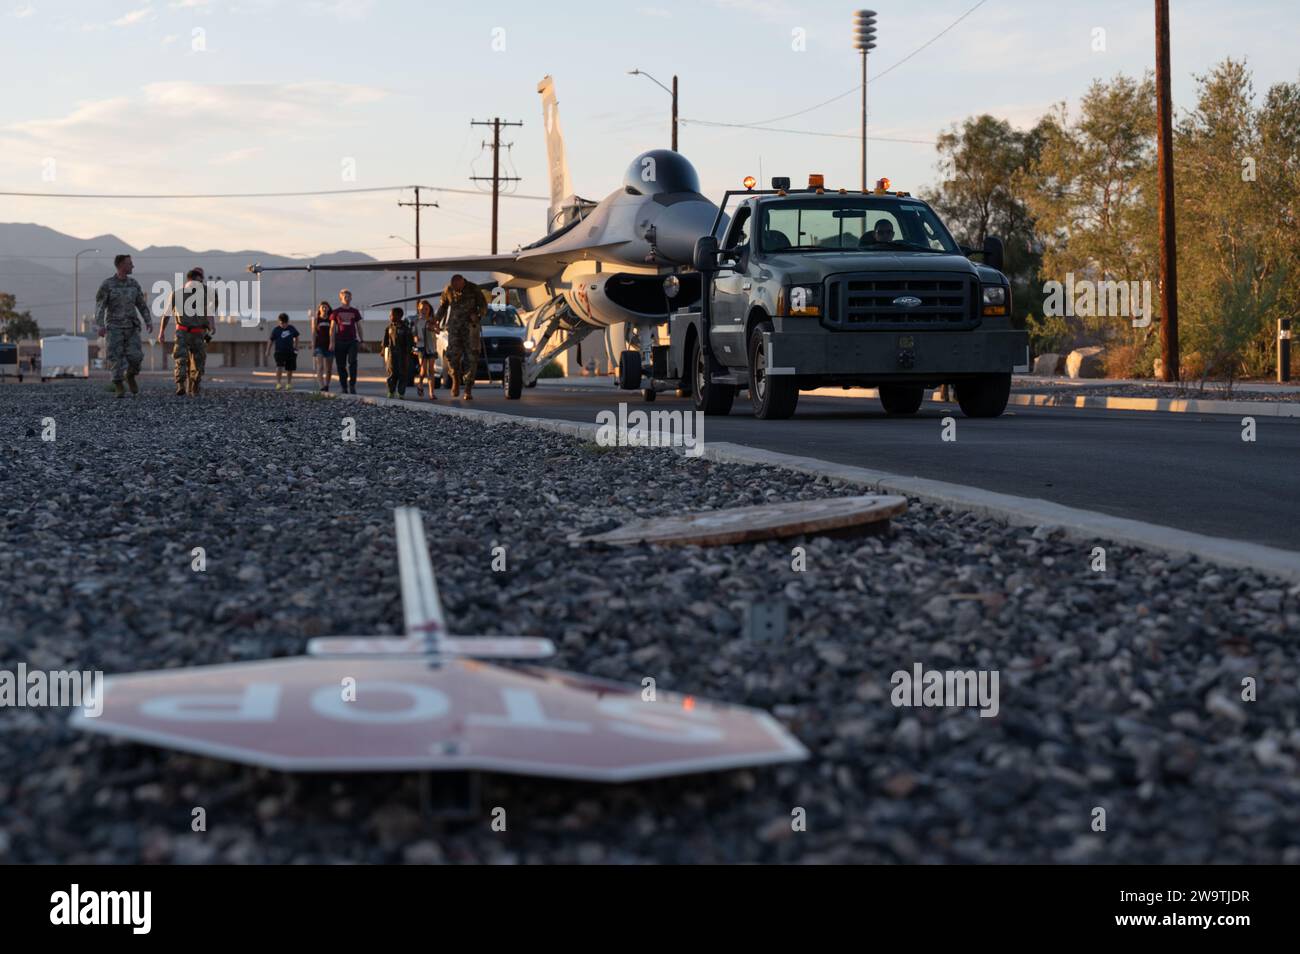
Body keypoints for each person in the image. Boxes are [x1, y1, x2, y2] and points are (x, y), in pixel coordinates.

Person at [94, 254, 153, 398]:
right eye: (129, 263)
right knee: (115, 358)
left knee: (136, 357)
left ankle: (130, 376)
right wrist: (100, 325)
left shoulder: (134, 284)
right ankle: (118, 385)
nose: (132, 266)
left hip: (132, 327)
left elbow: (141, 304)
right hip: (114, 327)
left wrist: (148, 320)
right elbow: (100, 306)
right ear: (121, 265)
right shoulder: (107, 285)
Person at [158, 266, 214, 396]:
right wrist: (161, 332)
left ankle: (194, 385)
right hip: (182, 332)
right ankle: (181, 384)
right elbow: (166, 315)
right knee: (181, 359)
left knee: (198, 361)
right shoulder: (176, 294)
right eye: (199, 281)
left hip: (198, 333)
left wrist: (212, 325)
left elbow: (208, 313)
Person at [435, 274, 485, 400]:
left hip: (470, 328)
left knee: (472, 357)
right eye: (454, 288)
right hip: (454, 328)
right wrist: (436, 320)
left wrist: (478, 315)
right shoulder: (448, 290)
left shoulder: (474, 289)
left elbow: (483, 306)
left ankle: (468, 388)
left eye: (458, 287)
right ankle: (455, 379)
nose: (456, 290)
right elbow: (443, 306)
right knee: (452, 356)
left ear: (462, 282)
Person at [330, 288, 364, 394]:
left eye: (349, 296)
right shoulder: (336, 312)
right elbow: (332, 328)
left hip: (352, 341)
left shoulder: (355, 311)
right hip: (339, 341)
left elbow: (359, 326)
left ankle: (352, 384)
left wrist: (361, 339)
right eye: (345, 296)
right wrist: (332, 342)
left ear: (351, 298)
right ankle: (344, 386)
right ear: (341, 298)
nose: (347, 298)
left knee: (352, 362)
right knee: (341, 365)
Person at [382, 306, 414, 399]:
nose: (390, 316)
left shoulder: (406, 329)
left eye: (391, 315)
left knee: (402, 374)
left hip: (403, 355)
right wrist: (383, 351)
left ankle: (401, 393)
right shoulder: (389, 328)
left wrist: (408, 354)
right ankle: (391, 391)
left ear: (398, 316)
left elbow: (410, 343)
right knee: (392, 373)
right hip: (392, 355)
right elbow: (385, 342)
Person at [412, 298, 438, 400]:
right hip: (421, 347)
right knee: (423, 370)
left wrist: (434, 327)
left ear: (429, 310)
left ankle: (432, 392)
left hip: (431, 347)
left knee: (431, 370)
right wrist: (415, 338)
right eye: (422, 309)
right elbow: (413, 333)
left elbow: (438, 331)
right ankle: (420, 383)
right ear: (419, 309)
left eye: (426, 309)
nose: (424, 311)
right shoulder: (417, 321)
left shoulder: (432, 320)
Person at [266, 312, 300, 390]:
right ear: (279, 322)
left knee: (290, 368)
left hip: (290, 351)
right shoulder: (276, 330)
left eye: (285, 323)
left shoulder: (291, 328)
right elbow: (271, 340)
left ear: (287, 322)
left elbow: (297, 336)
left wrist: (296, 346)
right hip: (279, 351)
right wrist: (268, 350)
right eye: (282, 323)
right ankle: (278, 383)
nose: (283, 325)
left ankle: (288, 383)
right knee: (279, 367)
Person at [310, 301, 334, 392]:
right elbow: (313, 333)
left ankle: (327, 385)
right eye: (322, 307)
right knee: (320, 367)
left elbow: (333, 333)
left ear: (328, 309)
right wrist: (313, 347)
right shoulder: (316, 319)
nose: (324, 308)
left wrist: (332, 343)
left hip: (329, 346)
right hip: (319, 346)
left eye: (326, 307)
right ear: (319, 309)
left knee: (329, 369)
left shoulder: (331, 319)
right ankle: (321, 386)